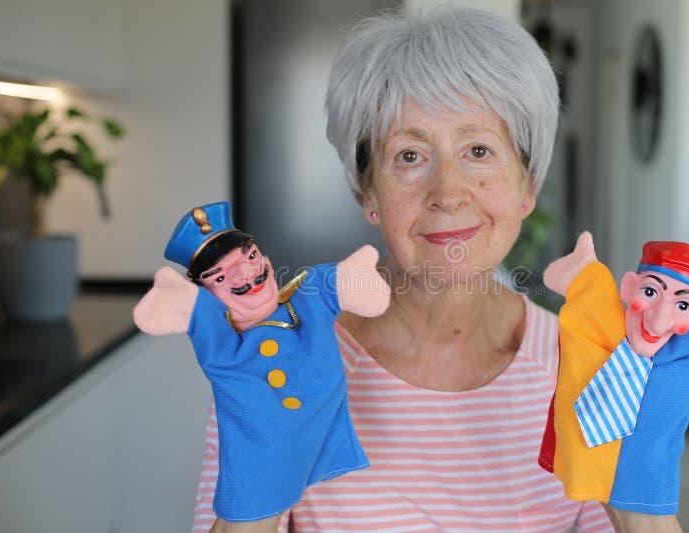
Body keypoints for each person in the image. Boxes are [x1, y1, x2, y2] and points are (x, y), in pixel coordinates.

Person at [193, 7, 615, 532]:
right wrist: (265, 460)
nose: (448, 194)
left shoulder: (584, 368)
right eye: (410, 156)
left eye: (478, 150)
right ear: (367, 191)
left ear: (527, 185)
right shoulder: (277, 360)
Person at [133, 201, 390, 529]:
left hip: (310, 445)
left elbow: (325, 284)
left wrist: (347, 279)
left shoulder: (305, 303)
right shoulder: (223, 345)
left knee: (240, 519)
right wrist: (184, 304)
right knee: (238, 517)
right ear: (207, 293)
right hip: (255, 456)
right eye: (222, 276)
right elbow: (196, 316)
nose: (246, 273)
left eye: (250, 256)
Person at [538, 232, 689, 532]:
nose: (660, 318)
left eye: (682, 305)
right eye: (650, 292)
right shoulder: (597, 326)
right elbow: (588, 294)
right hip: (586, 469)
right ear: (628, 288)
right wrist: (585, 273)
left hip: (646, 484)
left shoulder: (684, 354)